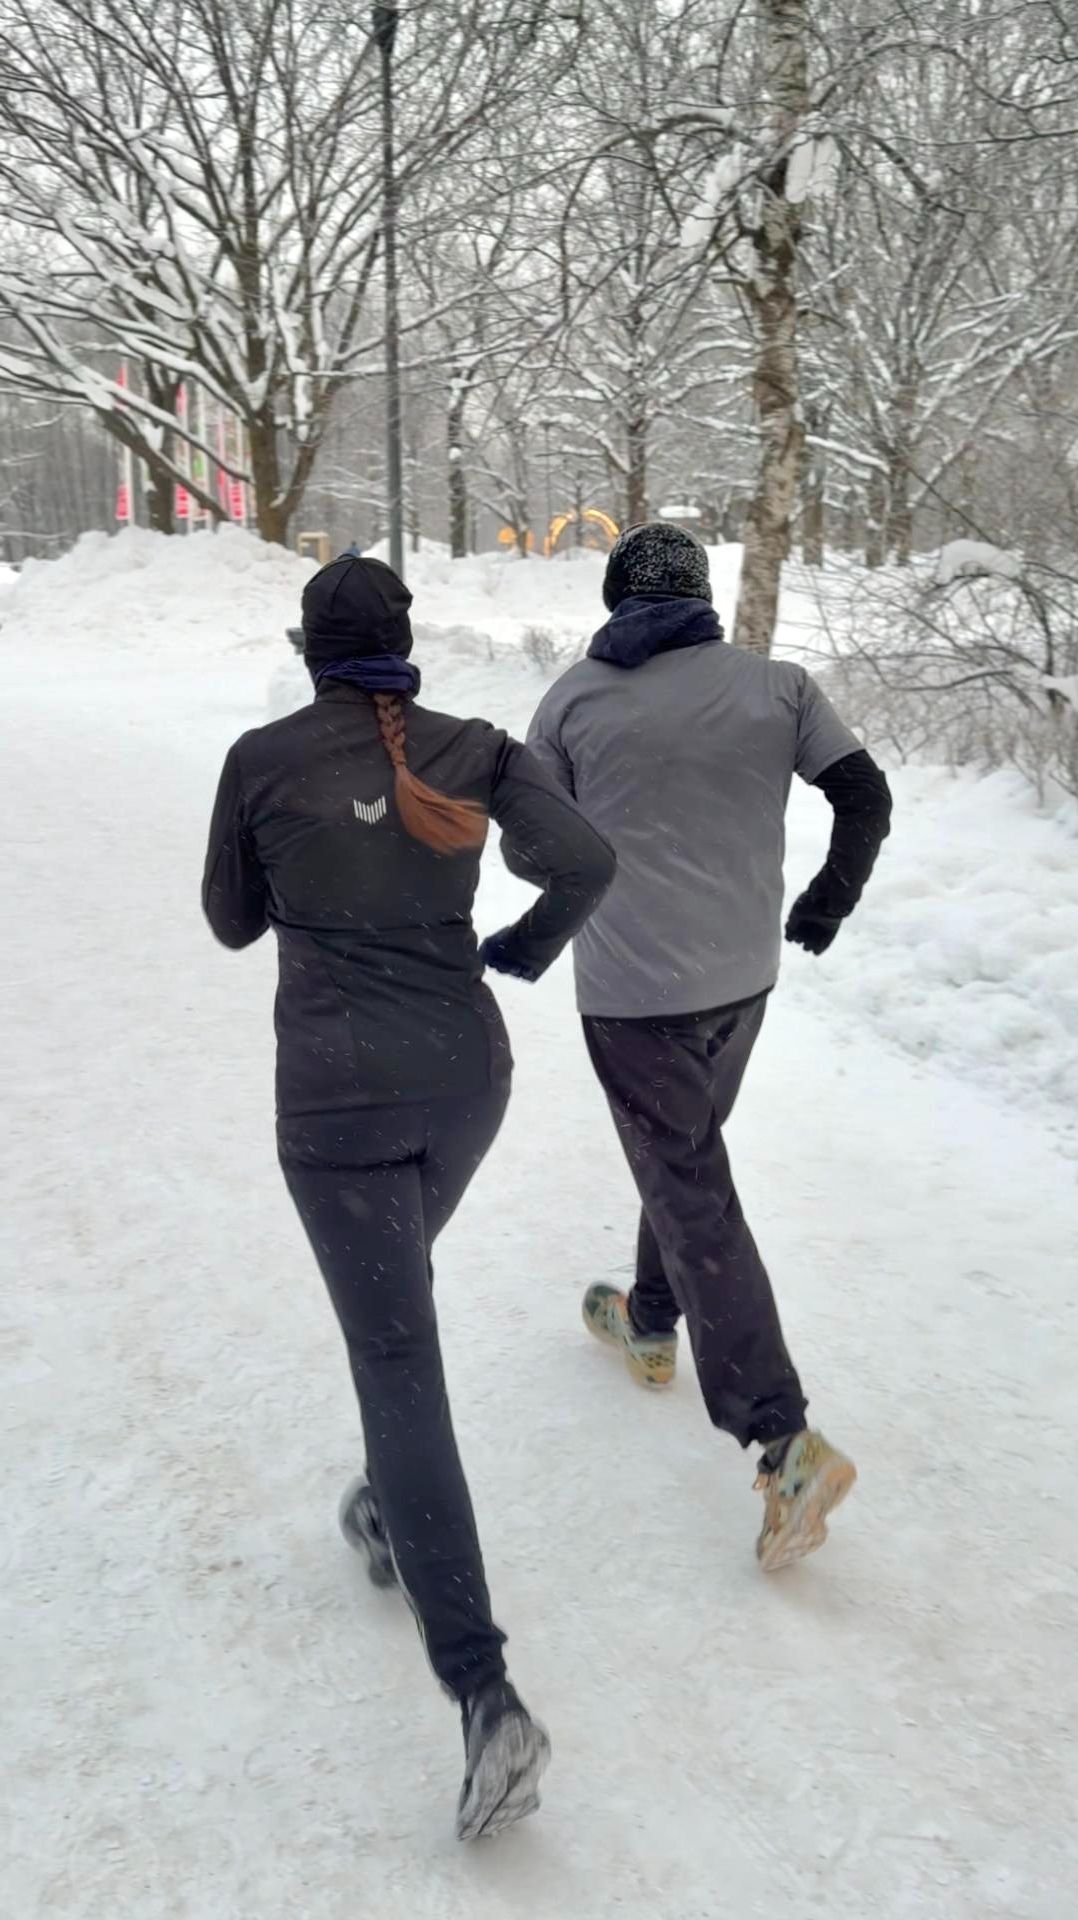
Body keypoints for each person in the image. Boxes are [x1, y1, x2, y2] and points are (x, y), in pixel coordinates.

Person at [202, 554, 614, 1838]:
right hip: (462, 1083)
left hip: (338, 1105)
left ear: (310, 650)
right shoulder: (476, 748)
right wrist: (518, 950)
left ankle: (486, 1695)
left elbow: (229, 921)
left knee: (395, 1353)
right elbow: (585, 860)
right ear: (405, 642)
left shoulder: (261, 760)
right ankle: (391, 1507)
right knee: (398, 1311)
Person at [510, 522, 892, 1572]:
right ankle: (647, 1320)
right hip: (741, 980)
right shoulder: (777, 687)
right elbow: (863, 793)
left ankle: (783, 1438)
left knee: (688, 1181)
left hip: (632, 994)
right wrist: (828, 896)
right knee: (685, 1159)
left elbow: (532, 846)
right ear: (700, 598)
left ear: (614, 599)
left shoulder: (574, 701)